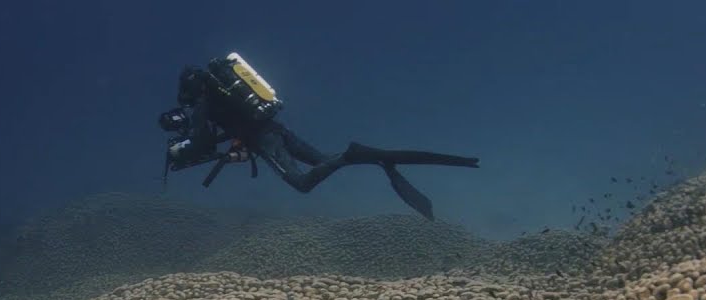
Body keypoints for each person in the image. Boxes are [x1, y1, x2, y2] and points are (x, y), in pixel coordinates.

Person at [159, 53, 480, 221]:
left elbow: (201, 142)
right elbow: (227, 132)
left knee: (302, 183)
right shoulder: (222, 94)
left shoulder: (203, 105)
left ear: (190, 90)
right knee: (324, 162)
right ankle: (373, 158)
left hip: (266, 139)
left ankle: (352, 154)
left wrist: (180, 151)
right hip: (277, 129)